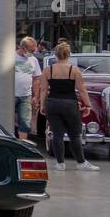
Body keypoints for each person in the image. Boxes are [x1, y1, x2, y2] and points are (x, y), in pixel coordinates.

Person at [36, 43, 99, 171]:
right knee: (75, 135)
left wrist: (42, 105)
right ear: (69, 54)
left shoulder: (48, 70)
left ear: (55, 54)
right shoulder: (74, 70)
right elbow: (82, 90)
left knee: (57, 134)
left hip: (52, 102)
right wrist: (88, 105)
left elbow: (43, 90)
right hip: (70, 103)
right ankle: (81, 163)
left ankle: (60, 164)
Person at [13, 37, 39, 140]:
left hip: (26, 96)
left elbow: (36, 79)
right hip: (10, 95)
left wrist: (36, 96)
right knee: (8, 121)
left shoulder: (33, 60)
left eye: (34, 50)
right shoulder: (11, 57)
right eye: (31, 51)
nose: (32, 53)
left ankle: (22, 143)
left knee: (24, 122)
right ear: (23, 48)